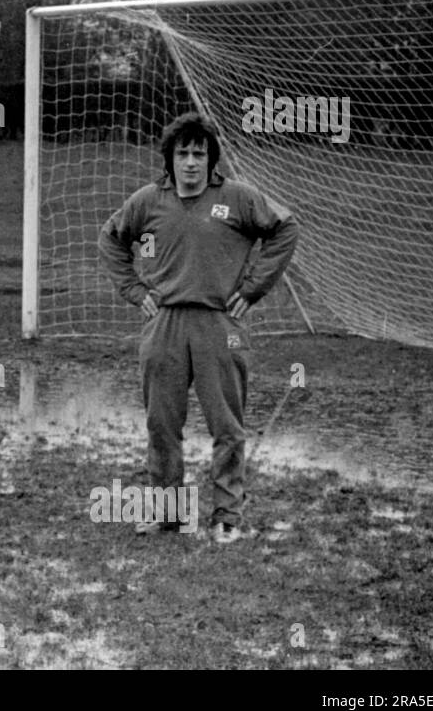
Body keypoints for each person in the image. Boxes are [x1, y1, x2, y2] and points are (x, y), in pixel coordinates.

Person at [98, 112, 300, 544]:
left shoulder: (239, 198)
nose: (191, 162)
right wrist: (135, 290)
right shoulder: (148, 201)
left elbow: (285, 228)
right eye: (182, 153)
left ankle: (226, 516)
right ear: (169, 159)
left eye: (199, 154)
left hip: (220, 323)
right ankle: (168, 513)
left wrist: (253, 288)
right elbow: (111, 237)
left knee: (226, 426)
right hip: (164, 322)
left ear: (211, 160)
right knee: (162, 424)